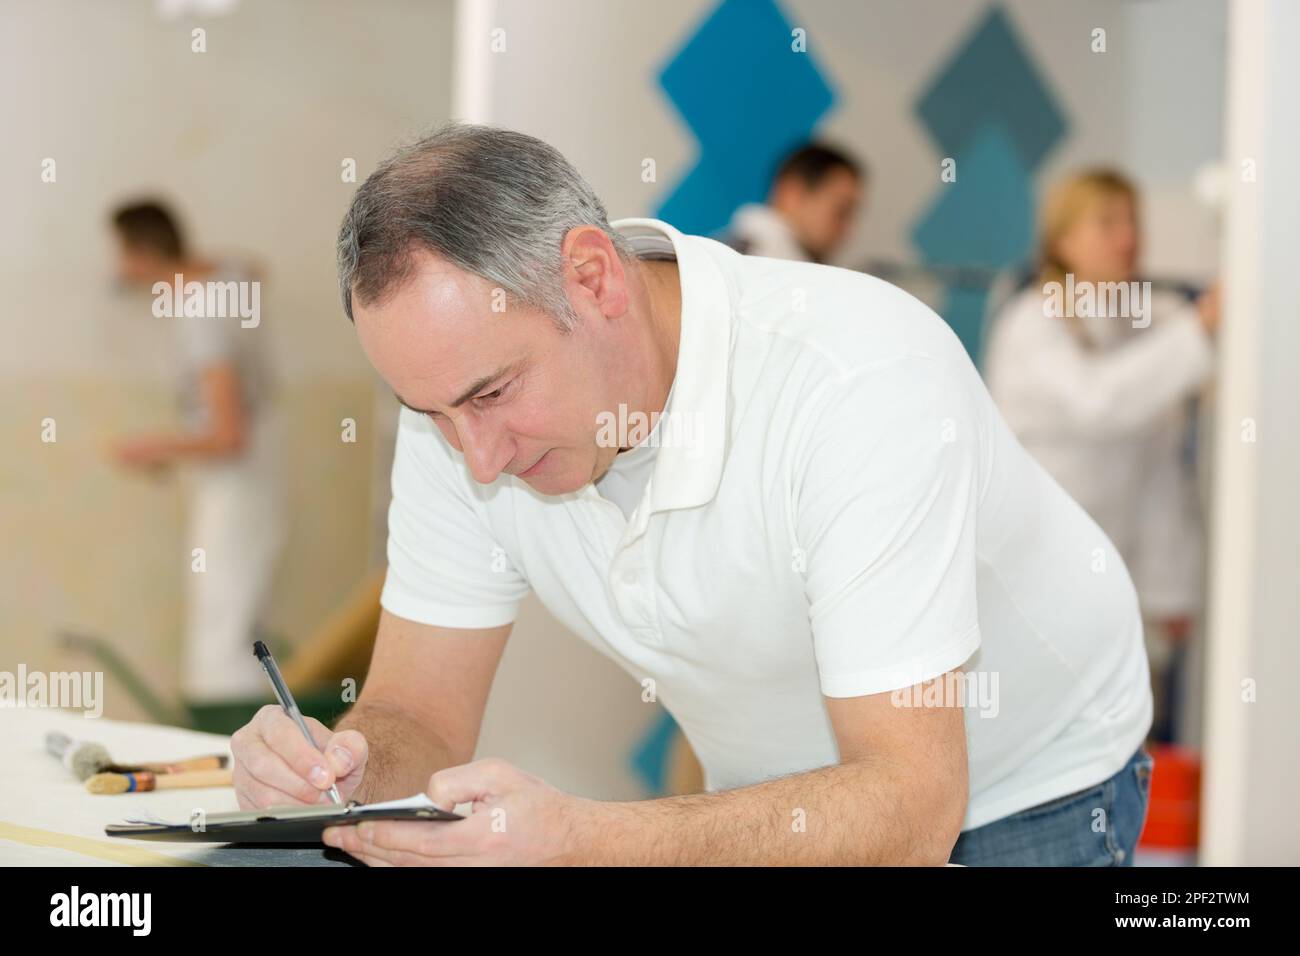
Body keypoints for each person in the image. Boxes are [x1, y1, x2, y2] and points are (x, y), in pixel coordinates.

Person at [231, 124, 1153, 866]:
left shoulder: (858, 380)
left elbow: (913, 810)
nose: (475, 459)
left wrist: (585, 841)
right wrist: (344, 770)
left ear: (593, 280)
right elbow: (418, 713)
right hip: (785, 794)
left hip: (1022, 782)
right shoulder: (459, 410)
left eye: (492, 396)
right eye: (429, 412)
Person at [983, 169, 1218, 743]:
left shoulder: (1134, 322)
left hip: (1116, 589)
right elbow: (1099, 402)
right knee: (1044, 748)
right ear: (1062, 240)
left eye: (1133, 221)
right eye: (1107, 222)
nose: (1127, 237)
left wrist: (1169, 592)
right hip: (1033, 587)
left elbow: (1159, 476)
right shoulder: (1031, 323)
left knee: (1118, 751)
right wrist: (1199, 327)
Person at [109, 200, 286, 704]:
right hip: (259, 477)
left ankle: (227, 739)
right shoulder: (228, 280)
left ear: (142, 253)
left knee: (221, 626)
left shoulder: (198, 314)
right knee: (240, 612)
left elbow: (228, 434)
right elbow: (255, 266)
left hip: (236, 482)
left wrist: (153, 446)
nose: (119, 271)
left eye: (122, 255)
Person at [721, 142, 865, 263]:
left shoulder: (733, 254)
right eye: (841, 211)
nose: (847, 231)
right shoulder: (746, 263)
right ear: (793, 194)